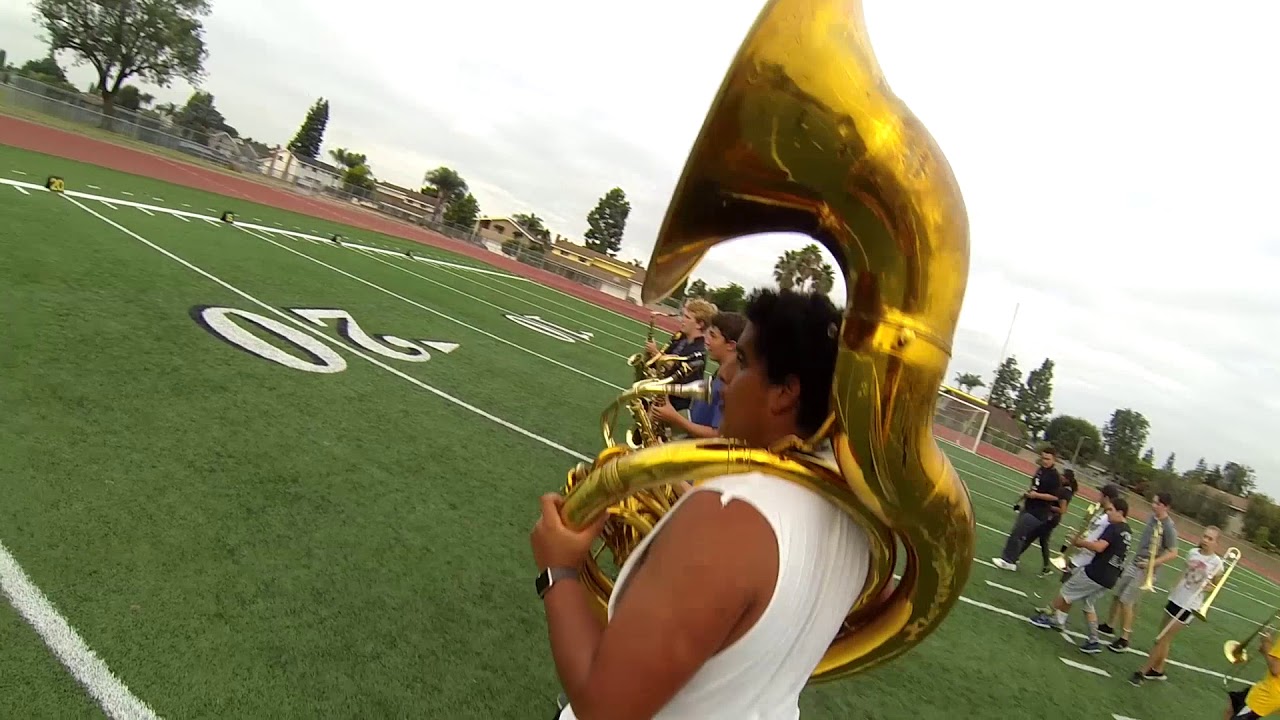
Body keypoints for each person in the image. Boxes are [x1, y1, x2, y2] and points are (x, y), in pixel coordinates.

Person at [531, 288, 868, 720]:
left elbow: (604, 709)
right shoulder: (856, 515)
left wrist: (557, 569)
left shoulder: (731, 514)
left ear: (785, 393)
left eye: (742, 361)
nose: (723, 375)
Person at [1028, 497, 1132, 653]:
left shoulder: (1114, 527)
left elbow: (1099, 547)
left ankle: (1047, 616)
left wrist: (1079, 543)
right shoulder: (1128, 531)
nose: (1108, 513)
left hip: (1097, 572)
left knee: (1066, 591)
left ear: (1120, 512)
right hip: (1111, 577)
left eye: (1111, 510)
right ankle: (1093, 639)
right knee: (1088, 604)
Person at [1129, 526, 1226, 685]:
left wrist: (1207, 587)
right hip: (1176, 598)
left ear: (1216, 543)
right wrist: (1175, 587)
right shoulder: (1193, 553)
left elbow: (1215, 586)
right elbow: (1185, 572)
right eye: (1205, 537)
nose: (1205, 540)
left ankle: (1142, 671)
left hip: (1190, 605)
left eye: (1210, 539)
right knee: (1163, 636)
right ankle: (1158, 670)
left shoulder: (1217, 563)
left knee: (1161, 638)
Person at [1098, 492, 1179, 652]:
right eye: (1153, 502)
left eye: (1156, 503)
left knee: (1126, 601)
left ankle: (1125, 638)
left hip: (1147, 569)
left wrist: (1152, 563)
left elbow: (1173, 552)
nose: (1153, 505)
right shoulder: (1152, 518)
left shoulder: (1169, 527)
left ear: (1165, 506)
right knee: (1117, 594)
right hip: (1135, 562)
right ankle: (1110, 625)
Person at [650, 311, 746, 438]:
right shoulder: (721, 372)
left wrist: (675, 418)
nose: (707, 340)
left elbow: (717, 435)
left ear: (731, 345)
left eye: (713, 336)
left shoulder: (731, 383)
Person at [992, 449, 1062, 571]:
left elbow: (1055, 496)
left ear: (1054, 460)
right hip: (1029, 506)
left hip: (1039, 512)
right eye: (1043, 458)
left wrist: (1037, 496)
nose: (1044, 461)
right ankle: (1013, 558)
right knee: (1019, 534)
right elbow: (1035, 487)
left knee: (1017, 533)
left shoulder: (1055, 477)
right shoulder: (1041, 470)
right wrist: (1027, 493)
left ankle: (1008, 560)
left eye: (1047, 459)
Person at [645, 299, 717, 412]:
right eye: (684, 315)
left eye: (688, 318)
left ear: (700, 324)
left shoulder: (698, 353)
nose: (682, 320)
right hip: (660, 397)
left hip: (674, 407)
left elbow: (682, 382)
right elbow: (665, 358)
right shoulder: (679, 337)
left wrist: (656, 353)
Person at [1019, 468, 1079, 576]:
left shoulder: (1065, 492)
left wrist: (1049, 507)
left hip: (1051, 519)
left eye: (1063, 476)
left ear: (1067, 479)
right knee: (1042, 541)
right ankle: (1046, 567)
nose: (1060, 477)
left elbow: (1063, 510)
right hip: (1049, 517)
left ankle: (1015, 556)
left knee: (1031, 536)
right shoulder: (1062, 489)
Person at [1224, 631, 1280, 719]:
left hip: (1266, 695)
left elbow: (1276, 668)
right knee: (1234, 703)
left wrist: (1266, 647)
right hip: (1268, 688)